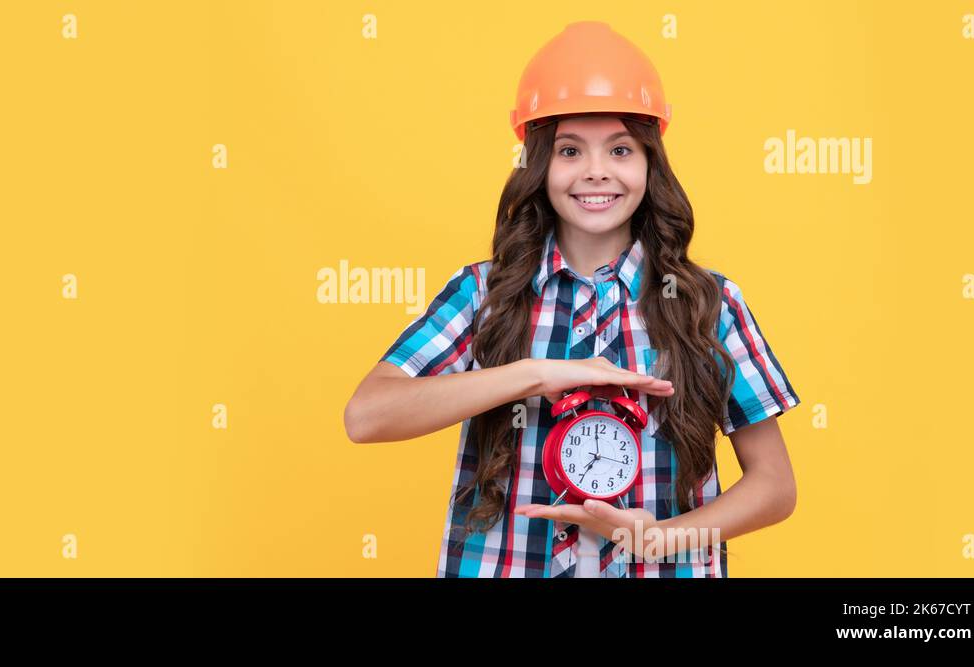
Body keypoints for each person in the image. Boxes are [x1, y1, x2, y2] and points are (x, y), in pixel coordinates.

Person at [343, 21, 801, 577]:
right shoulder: (485, 295)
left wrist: (657, 539)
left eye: (620, 149)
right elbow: (367, 416)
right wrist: (533, 374)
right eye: (569, 150)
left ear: (649, 165)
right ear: (539, 166)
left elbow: (775, 487)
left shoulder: (709, 303)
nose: (596, 172)